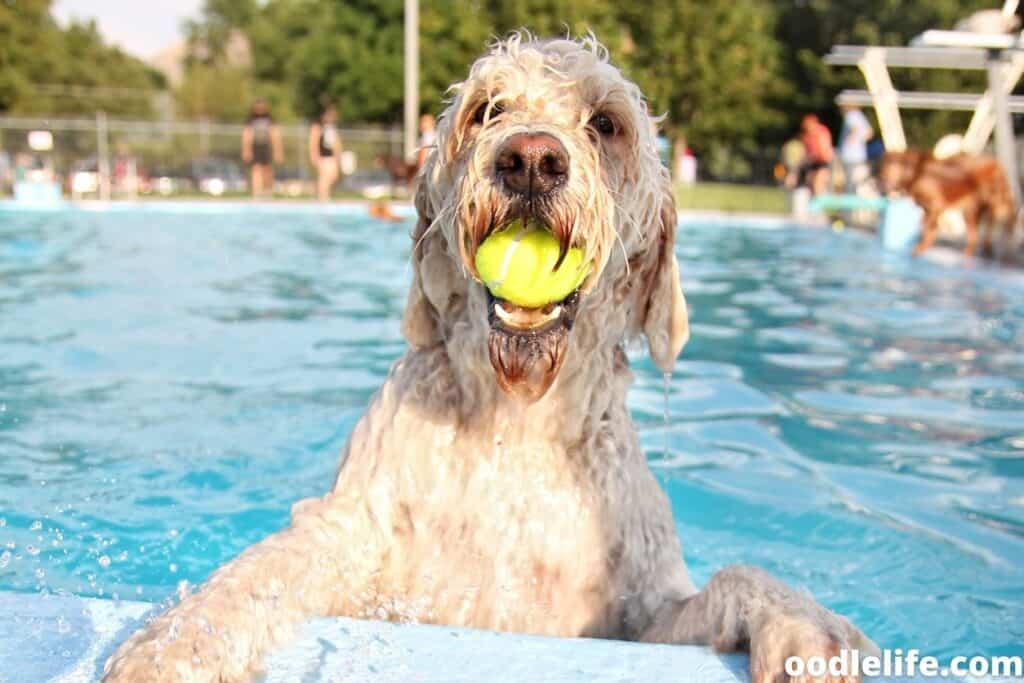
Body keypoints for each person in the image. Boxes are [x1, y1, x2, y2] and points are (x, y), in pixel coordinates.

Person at [241, 99, 283, 198]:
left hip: (266, 147)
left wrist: (278, 150)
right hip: (256, 147)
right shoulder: (251, 120)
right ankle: (257, 192)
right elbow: (247, 135)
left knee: (267, 169)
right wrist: (246, 150)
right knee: (256, 169)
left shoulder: (270, 120)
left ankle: (268, 191)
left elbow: (275, 135)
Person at [309, 102, 342, 201]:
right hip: (323, 156)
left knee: (333, 176)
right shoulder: (318, 126)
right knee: (324, 177)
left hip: (332, 156)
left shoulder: (331, 126)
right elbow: (313, 141)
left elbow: (336, 142)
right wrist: (314, 156)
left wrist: (338, 155)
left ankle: (323, 195)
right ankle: (323, 197)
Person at [838, 104, 874, 194]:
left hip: (850, 155)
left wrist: (851, 139)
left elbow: (855, 129)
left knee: (850, 183)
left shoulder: (851, 115)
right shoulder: (859, 115)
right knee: (859, 182)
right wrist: (859, 140)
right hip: (859, 155)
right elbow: (870, 133)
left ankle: (849, 206)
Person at [799, 113, 833, 196]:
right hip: (813, 161)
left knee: (818, 183)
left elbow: (824, 148)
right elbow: (806, 150)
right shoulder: (807, 135)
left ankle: (819, 203)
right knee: (810, 182)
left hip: (823, 161)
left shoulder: (821, 132)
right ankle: (814, 202)